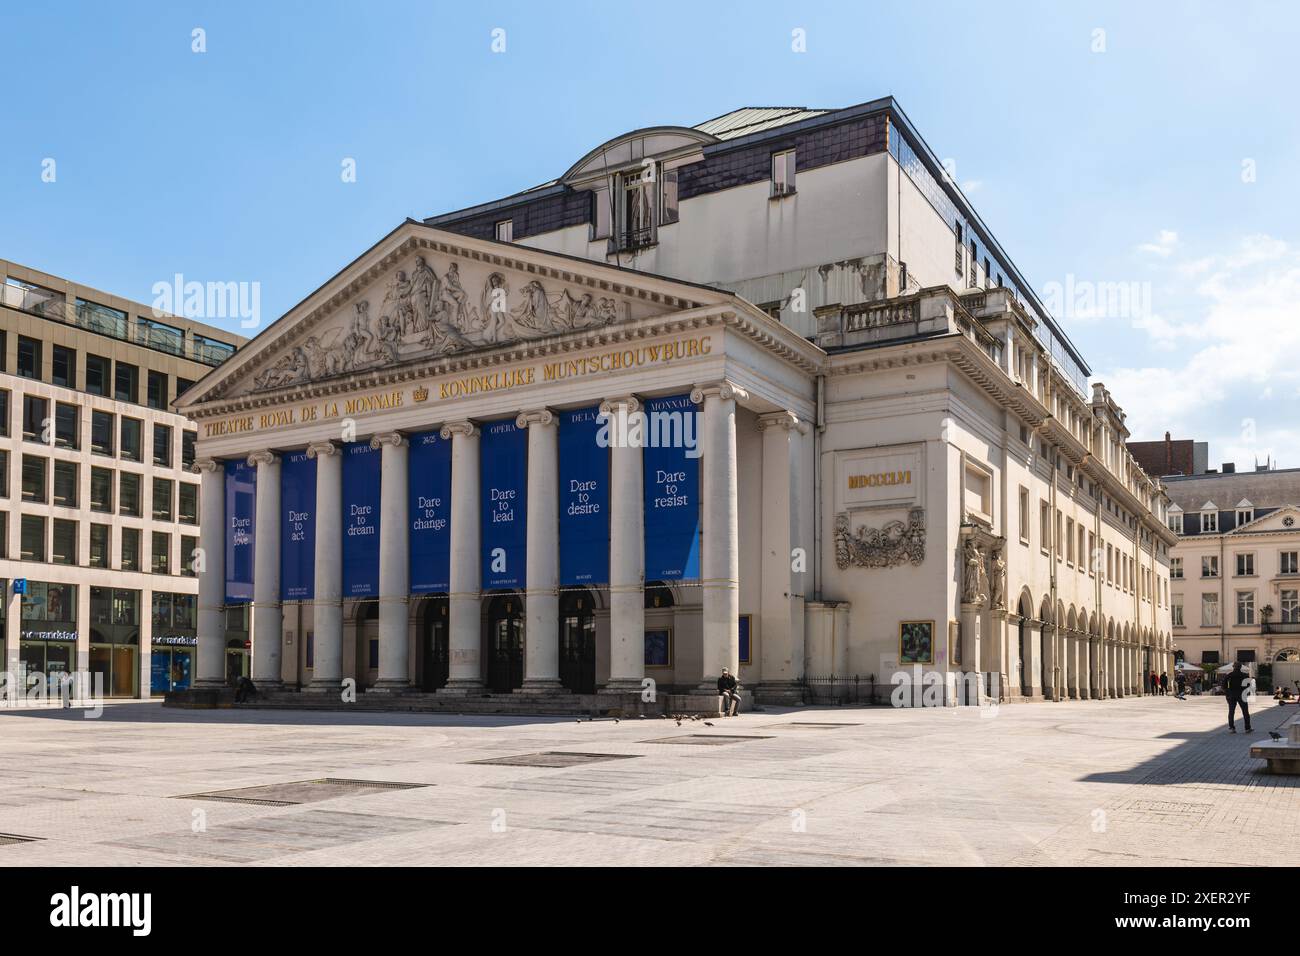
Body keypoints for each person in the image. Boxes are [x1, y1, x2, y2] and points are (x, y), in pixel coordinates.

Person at [1225, 662, 1253, 734]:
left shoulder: (1230, 675)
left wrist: (1228, 693)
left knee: (1231, 711)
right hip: (1242, 694)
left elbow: (1223, 685)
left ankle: (1232, 728)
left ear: (1233, 667)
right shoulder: (1244, 675)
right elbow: (1248, 685)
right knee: (1245, 712)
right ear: (1240, 667)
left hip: (1232, 694)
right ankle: (1247, 728)